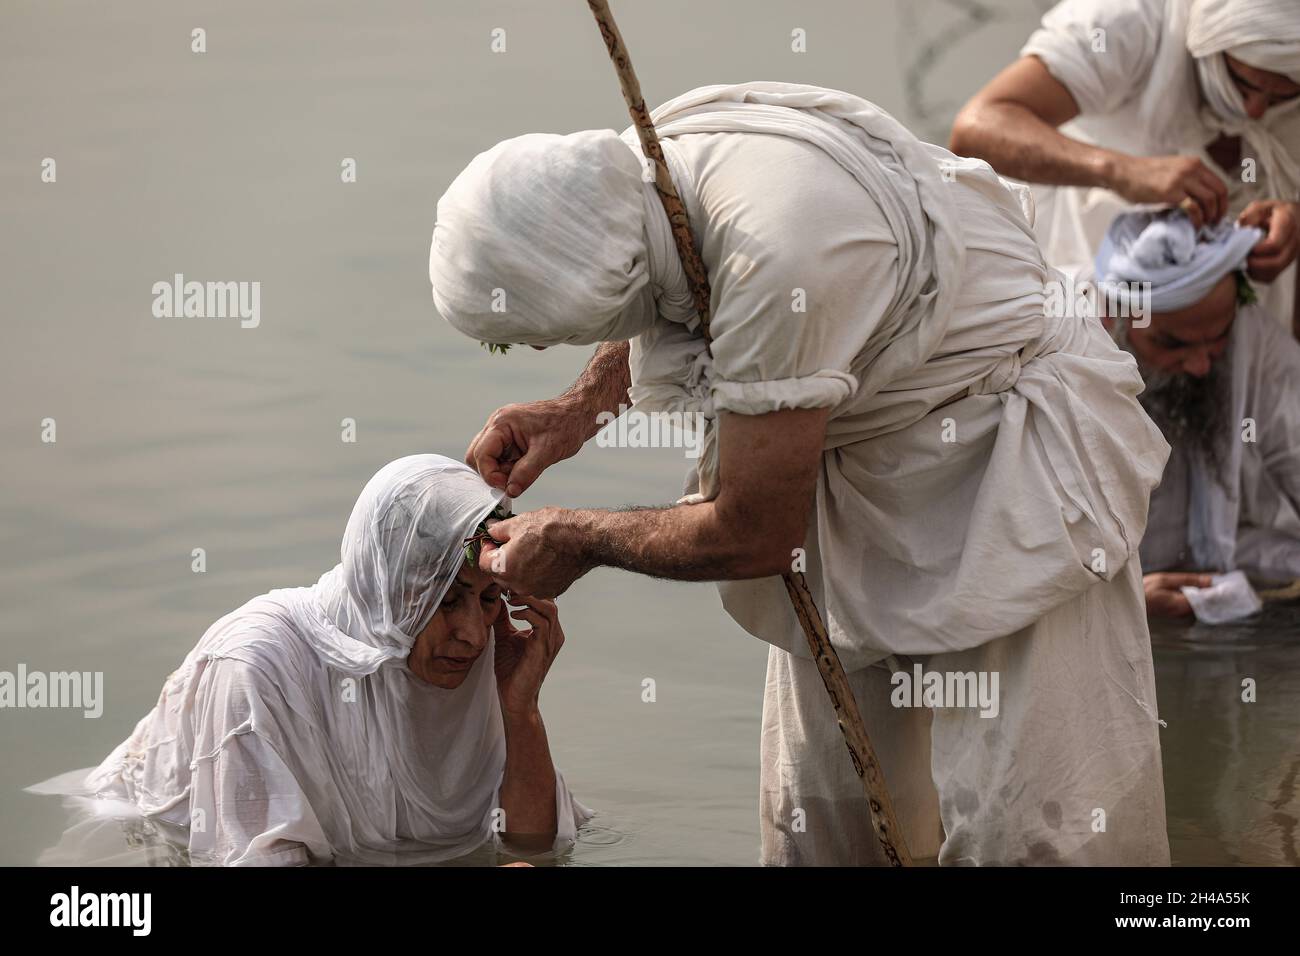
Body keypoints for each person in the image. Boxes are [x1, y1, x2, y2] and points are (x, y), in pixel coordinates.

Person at [430, 81, 1173, 865]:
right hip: (842, 464)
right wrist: (576, 411)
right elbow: (676, 291)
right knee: (826, 813)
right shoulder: (650, 179)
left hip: (999, 458)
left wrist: (577, 537)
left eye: (543, 334)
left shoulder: (782, 254)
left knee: (1034, 821)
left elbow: (752, 532)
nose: (544, 349)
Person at [29, 455, 588, 865]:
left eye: (488, 598)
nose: (471, 632)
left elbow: (534, 847)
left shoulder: (482, 656)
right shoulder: (256, 665)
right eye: (444, 601)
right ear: (388, 590)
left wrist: (522, 713)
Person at [949, 0, 1300, 338]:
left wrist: (1293, 219)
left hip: (1238, 329)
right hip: (1088, 310)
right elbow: (978, 129)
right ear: (1210, 40)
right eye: (1243, 83)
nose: (1254, 111)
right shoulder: (1127, 19)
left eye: (1282, 97)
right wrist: (1120, 171)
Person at [1094, 210, 1300, 616]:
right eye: (1173, 344)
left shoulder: (1253, 339)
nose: (1201, 365)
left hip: (1217, 561)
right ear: (1118, 317)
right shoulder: (1062, 355)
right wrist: (1119, 601)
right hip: (1102, 581)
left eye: (1217, 339)